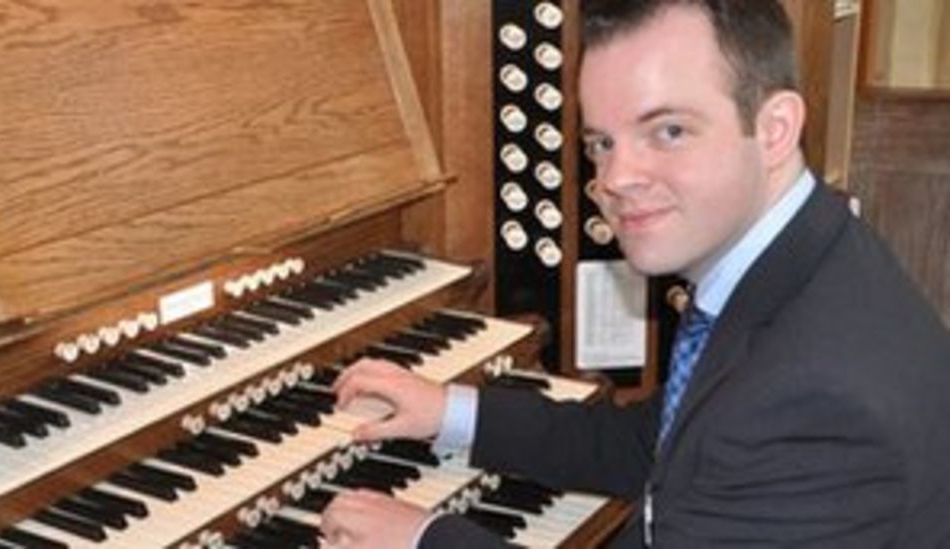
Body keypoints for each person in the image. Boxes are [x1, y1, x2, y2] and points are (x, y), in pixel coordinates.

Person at [319, 0, 950, 547]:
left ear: (775, 128)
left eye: (668, 130)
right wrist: (455, 411)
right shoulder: (796, 263)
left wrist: (426, 538)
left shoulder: (815, 397)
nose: (615, 180)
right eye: (602, 142)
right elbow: (660, 440)